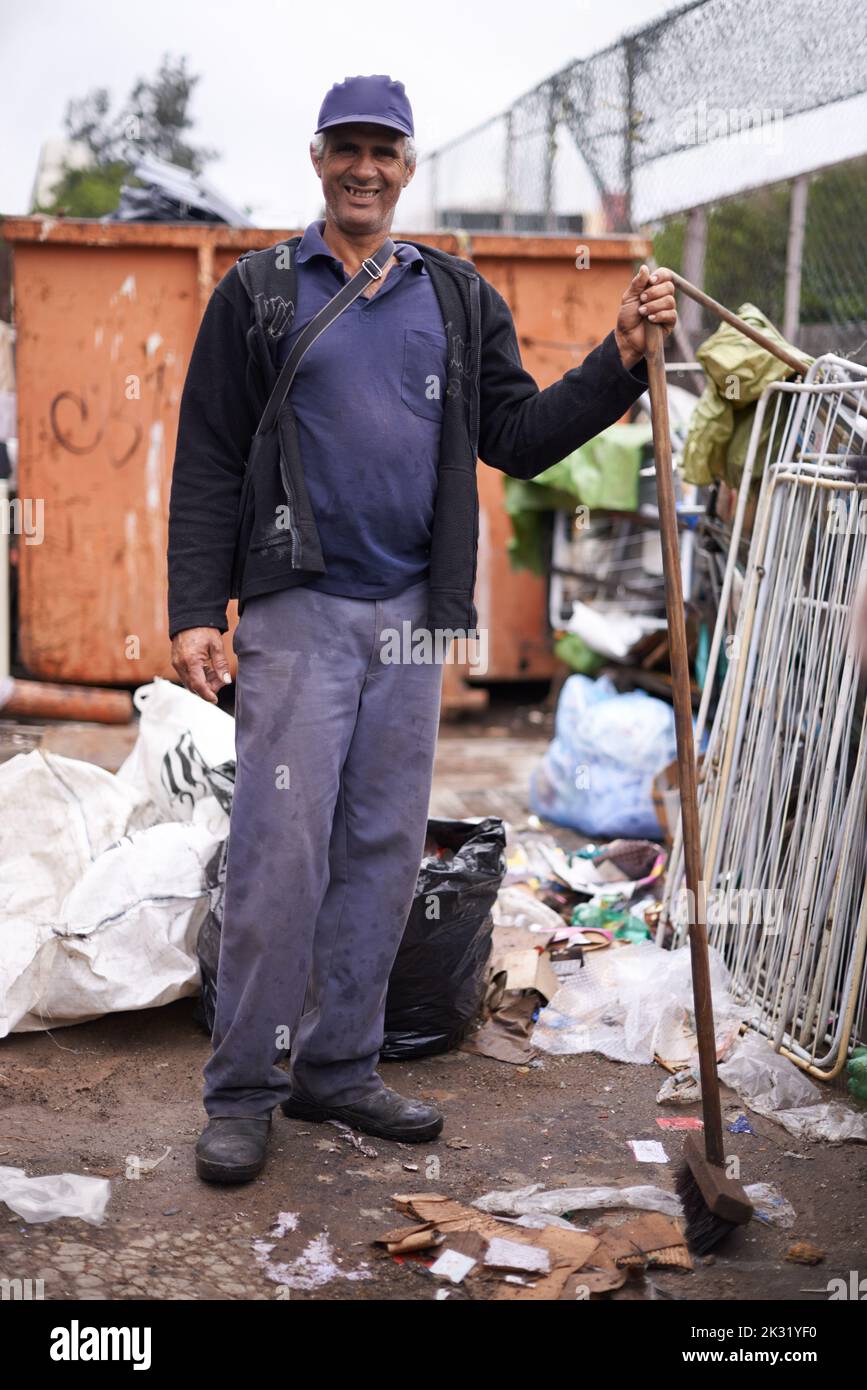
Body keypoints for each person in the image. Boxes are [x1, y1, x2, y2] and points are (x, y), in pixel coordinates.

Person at [167, 74, 677, 1183]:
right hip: (299, 611)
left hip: (410, 617)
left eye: (384, 150)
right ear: (317, 158)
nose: (365, 167)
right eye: (346, 147)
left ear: (406, 164)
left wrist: (622, 359)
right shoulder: (258, 290)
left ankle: (339, 1069)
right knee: (276, 854)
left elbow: (522, 432)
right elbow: (208, 452)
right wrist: (194, 610)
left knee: (385, 851)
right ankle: (243, 1085)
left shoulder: (452, 294)